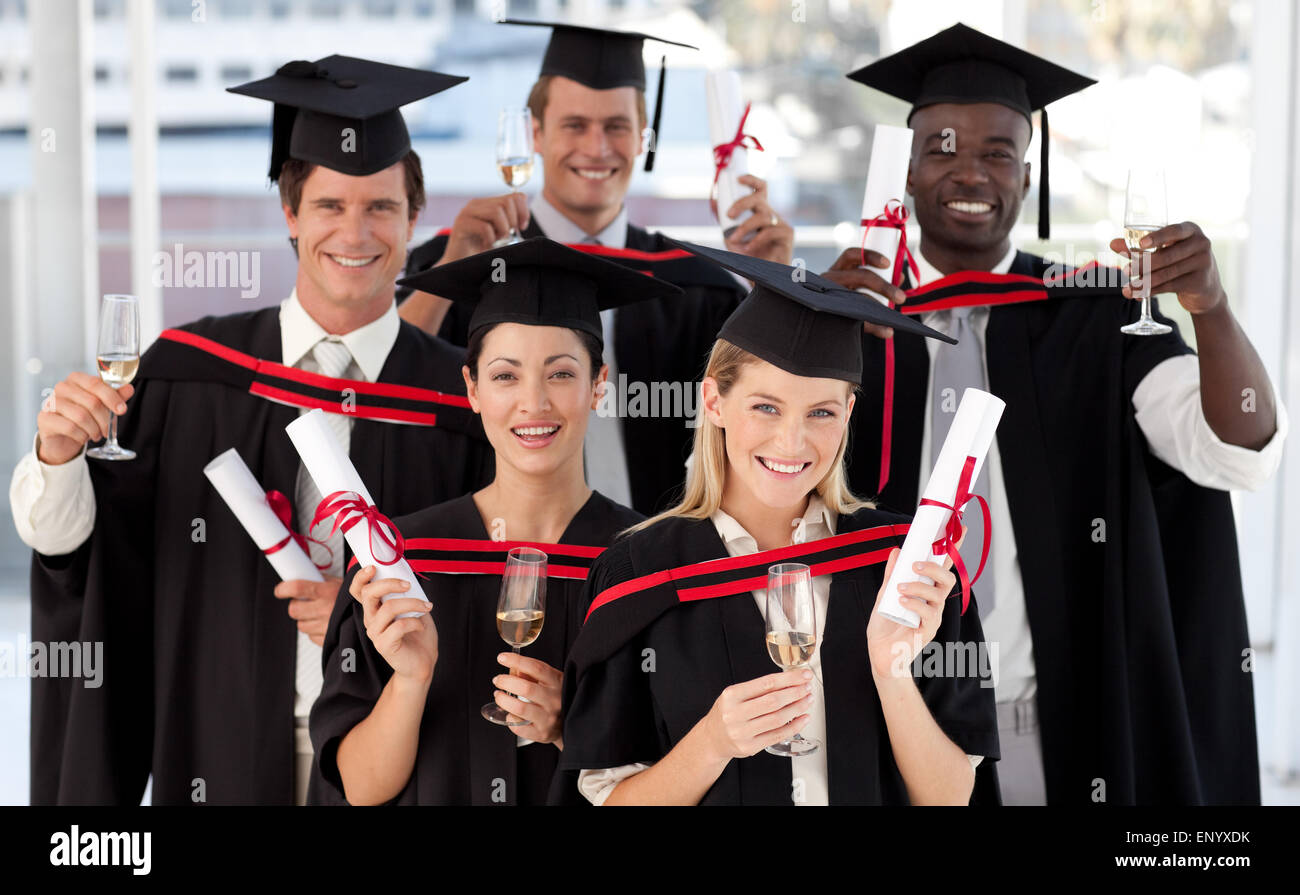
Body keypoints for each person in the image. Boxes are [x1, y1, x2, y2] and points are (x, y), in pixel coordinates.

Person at [9, 56, 494, 806]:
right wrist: (59, 457)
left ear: (412, 218)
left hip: (404, 769)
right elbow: (80, 552)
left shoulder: (466, 400)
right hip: (220, 754)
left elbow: (501, 590)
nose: (355, 232)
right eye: (331, 205)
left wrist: (366, 614)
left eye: (381, 208)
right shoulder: (190, 373)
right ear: (292, 215)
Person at [827, 23, 1288, 804]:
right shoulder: (850, 319)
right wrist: (813, 331)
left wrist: (1208, 307)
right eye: (942, 147)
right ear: (907, 169)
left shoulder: (1094, 319)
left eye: (999, 151)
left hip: (1050, 727)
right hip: (881, 723)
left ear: (1028, 175)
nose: (970, 170)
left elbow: (1236, 450)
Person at [556, 242, 998, 806]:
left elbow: (950, 797)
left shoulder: (906, 563)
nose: (792, 442)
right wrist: (714, 742)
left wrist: (890, 670)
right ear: (714, 402)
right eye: (766, 407)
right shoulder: (638, 571)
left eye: (821, 413)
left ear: (848, 415)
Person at [308, 238, 670, 805]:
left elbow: (680, 774)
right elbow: (360, 788)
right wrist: (411, 678)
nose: (534, 403)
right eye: (505, 376)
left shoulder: (651, 562)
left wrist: (567, 730)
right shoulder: (402, 558)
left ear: (599, 384)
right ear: (472, 389)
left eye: (560, 373)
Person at [398, 19, 797, 517]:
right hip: (501, 560)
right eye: (574, 125)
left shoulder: (695, 285)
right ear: (536, 134)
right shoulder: (466, 268)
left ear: (642, 139)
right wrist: (454, 264)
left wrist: (777, 287)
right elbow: (396, 386)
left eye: (616, 127)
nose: (597, 147)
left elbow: (767, 419)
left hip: (658, 565)